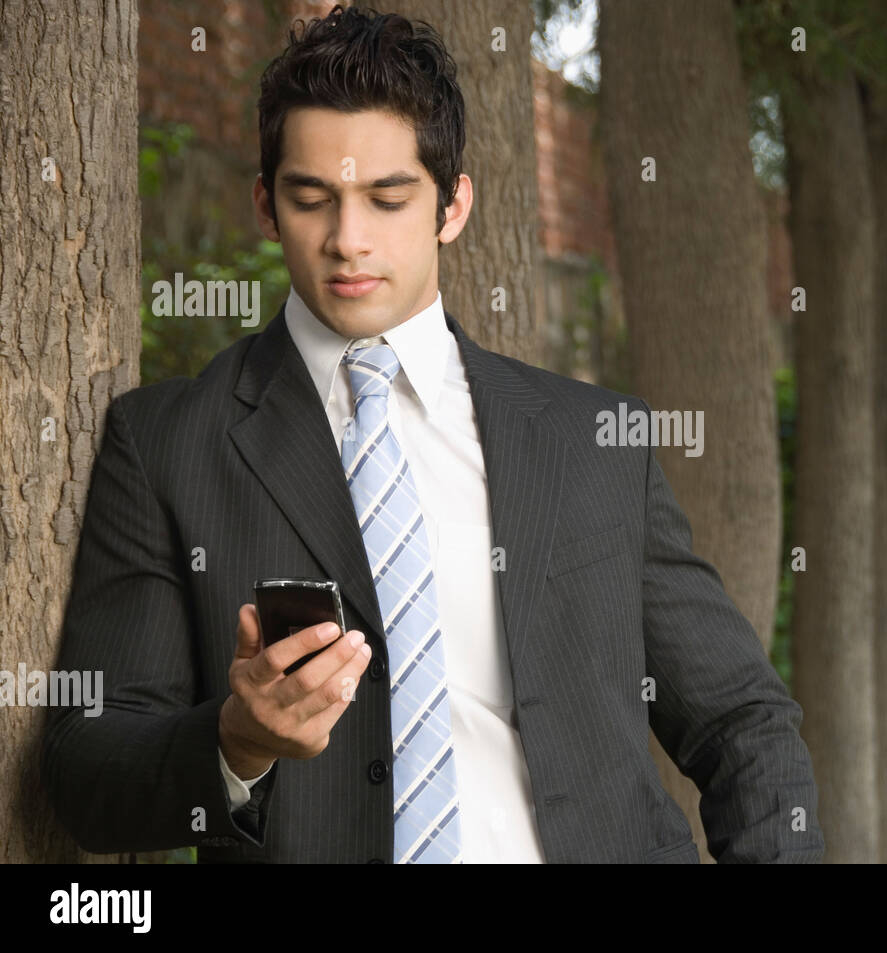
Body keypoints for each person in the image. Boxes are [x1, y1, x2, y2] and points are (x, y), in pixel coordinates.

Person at [41, 4, 823, 864]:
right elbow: (88, 772)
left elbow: (742, 721)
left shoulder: (592, 440)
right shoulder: (166, 445)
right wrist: (237, 742)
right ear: (266, 204)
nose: (348, 240)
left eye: (388, 198)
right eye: (312, 198)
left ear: (453, 206)